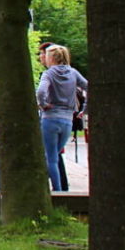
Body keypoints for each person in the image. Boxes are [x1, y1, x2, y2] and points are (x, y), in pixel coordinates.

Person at [36, 45, 87, 192]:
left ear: (51, 58)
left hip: (50, 119)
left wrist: (43, 104)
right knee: (54, 156)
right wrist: (85, 109)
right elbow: (88, 86)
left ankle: (57, 192)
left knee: (51, 158)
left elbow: (41, 92)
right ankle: (49, 189)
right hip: (67, 121)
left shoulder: (49, 74)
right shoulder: (73, 73)